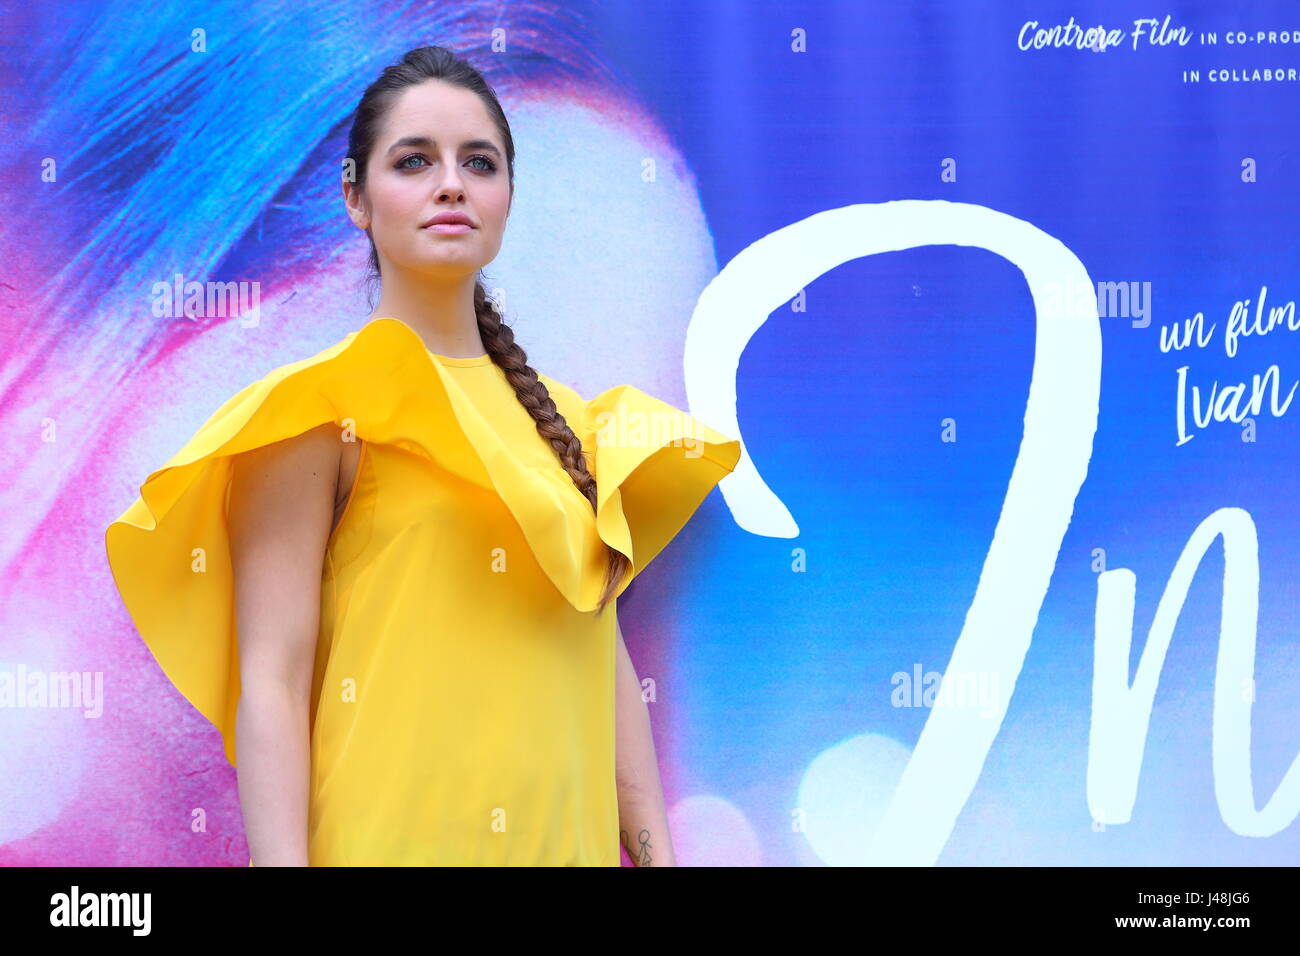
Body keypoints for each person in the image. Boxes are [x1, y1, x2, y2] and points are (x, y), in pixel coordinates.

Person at [103, 45, 740, 866]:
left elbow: (611, 690)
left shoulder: (573, 432)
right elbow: (273, 682)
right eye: (414, 161)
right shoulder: (310, 414)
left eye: (479, 162)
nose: (451, 184)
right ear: (355, 198)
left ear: (508, 196)